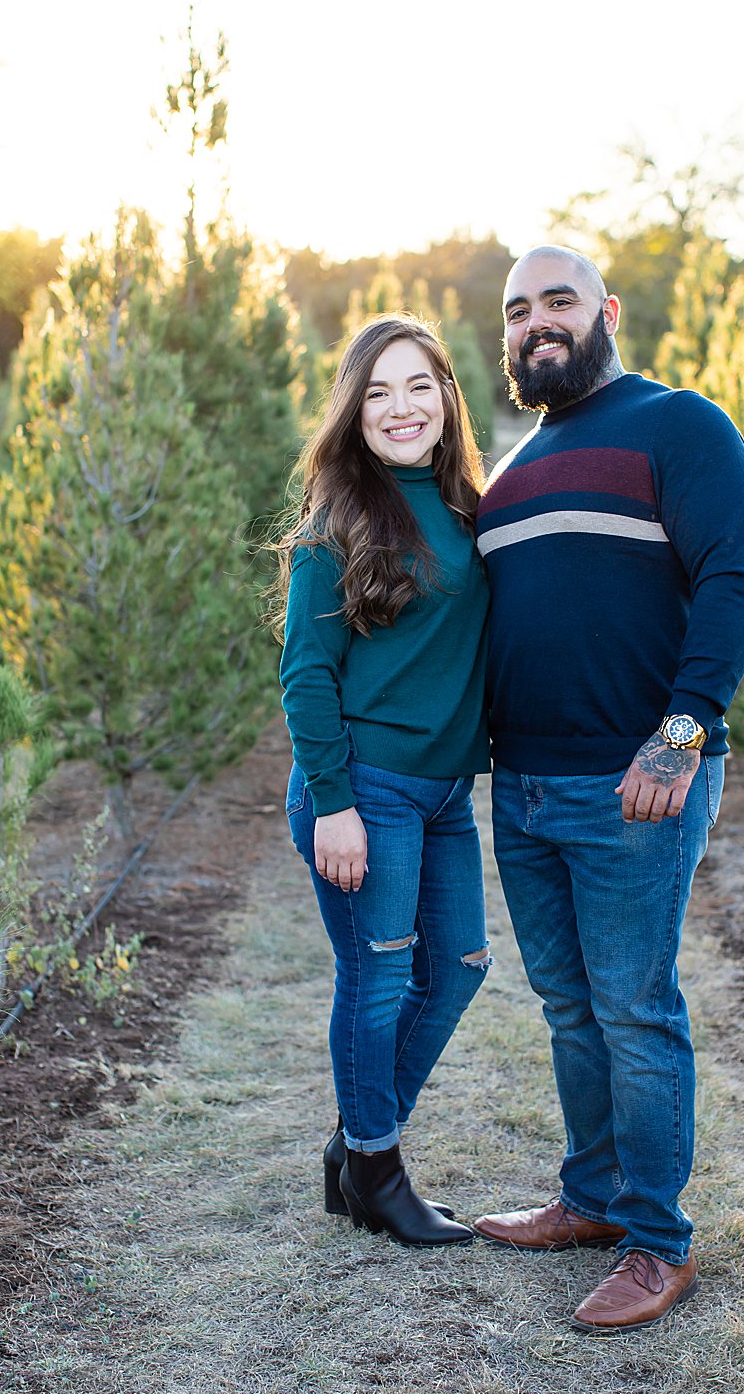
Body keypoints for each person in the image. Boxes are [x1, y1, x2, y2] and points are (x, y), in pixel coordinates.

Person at [469, 246, 744, 1333]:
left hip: (636, 779)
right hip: (527, 788)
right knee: (566, 1006)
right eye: (515, 311)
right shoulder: (510, 469)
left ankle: (656, 1242)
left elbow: (735, 574)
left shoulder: (675, 425)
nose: (535, 323)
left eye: (556, 301)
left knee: (634, 1008)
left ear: (603, 310)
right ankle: (590, 1200)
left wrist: (679, 735)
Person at [277, 312, 491, 1250]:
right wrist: (334, 804)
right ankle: (375, 1169)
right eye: (378, 392)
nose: (401, 408)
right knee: (376, 981)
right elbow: (305, 671)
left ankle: (357, 1143)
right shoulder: (341, 517)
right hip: (367, 788)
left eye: (419, 386)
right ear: (353, 411)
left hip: (446, 793)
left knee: (459, 969)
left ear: (447, 395)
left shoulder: (472, 506)